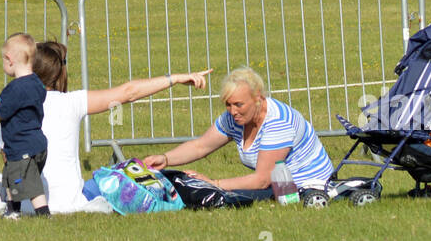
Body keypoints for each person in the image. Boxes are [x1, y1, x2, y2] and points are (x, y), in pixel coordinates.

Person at [31, 41, 209, 214]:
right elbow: (129, 92)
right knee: (124, 173)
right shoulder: (70, 102)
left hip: (27, 202)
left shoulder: (10, 105)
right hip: (70, 203)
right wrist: (176, 78)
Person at [141, 66, 333, 197]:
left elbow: (261, 180)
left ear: (258, 98)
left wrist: (212, 183)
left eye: (239, 104)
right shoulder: (235, 117)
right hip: (278, 187)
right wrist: (165, 159)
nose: (233, 111)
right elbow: (201, 146)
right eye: (228, 104)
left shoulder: (278, 122)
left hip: (309, 188)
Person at [0, 32, 49, 218]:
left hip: (22, 146)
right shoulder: (37, 83)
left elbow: (2, 112)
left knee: (30, 184)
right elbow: (20, 104)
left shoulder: (14, 88)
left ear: (9, 59)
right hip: (38, 144)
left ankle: (44, 214)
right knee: (11, 178)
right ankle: (12, 211)